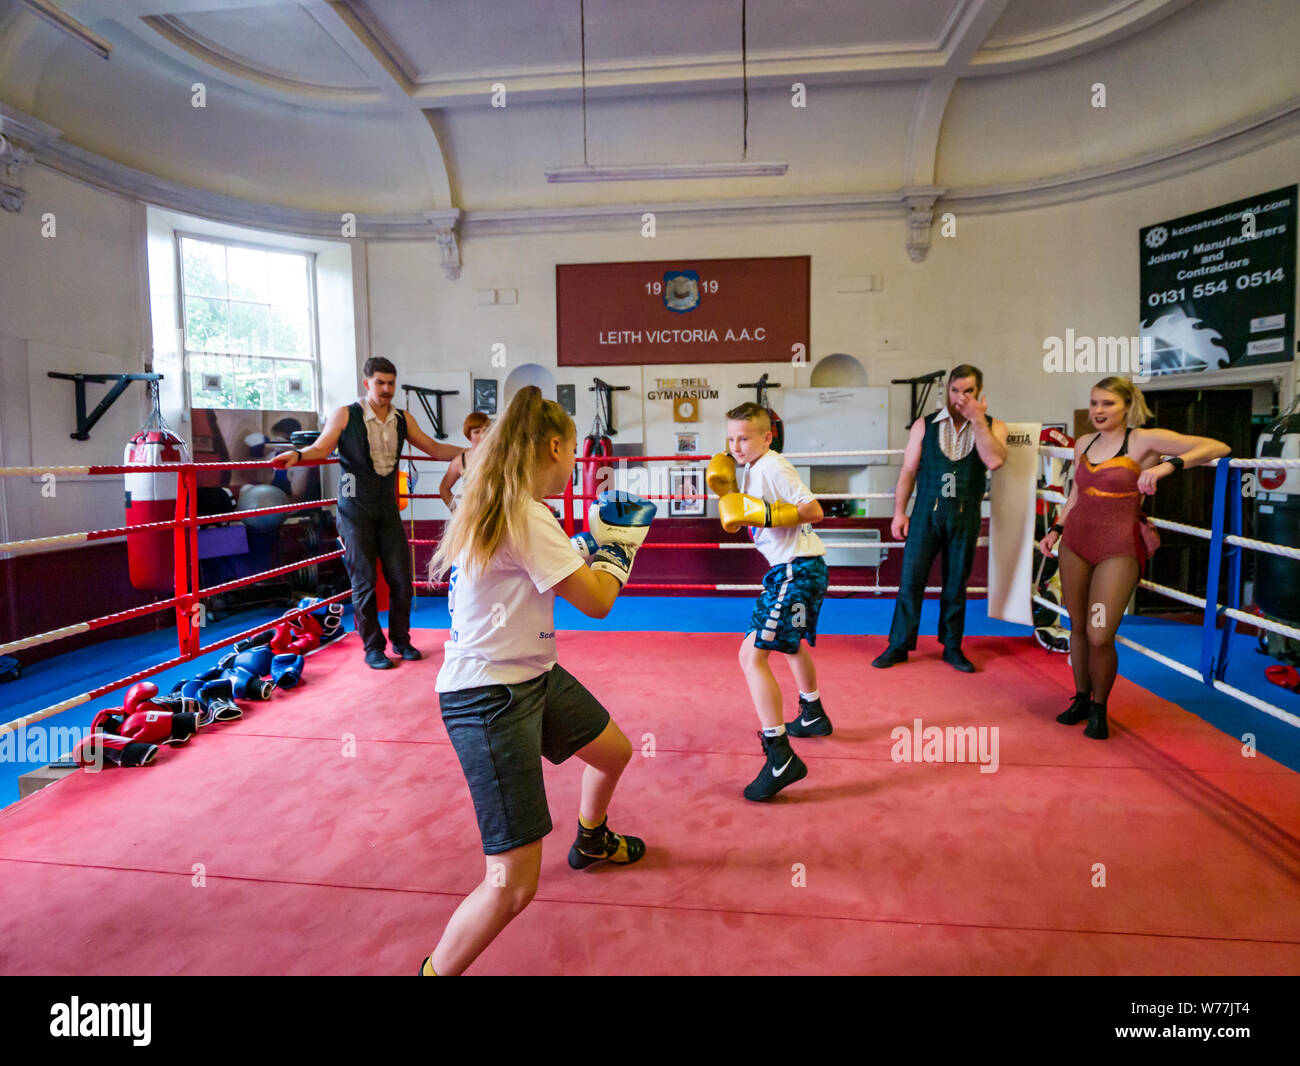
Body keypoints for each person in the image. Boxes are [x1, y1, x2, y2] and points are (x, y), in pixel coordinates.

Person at [421, 385, 652, 976]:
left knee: (613, 752)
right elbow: (598, 601)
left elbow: (532, 567)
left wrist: (589, 545)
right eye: (572, 452)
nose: (574, 465)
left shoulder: (497, 500)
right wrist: (619, 548)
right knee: (512, 886)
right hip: (490, 700)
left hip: (531, 675)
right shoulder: (526, 514)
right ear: (554, 445)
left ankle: (592, 839)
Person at [1038, 377, 1229, 739]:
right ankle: (1080, 697)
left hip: (1118, 548)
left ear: (1126, 405)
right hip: (1075, 542)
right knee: (1077, 627)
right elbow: (1076, 494)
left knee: (1099, 633)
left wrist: (1166, 467)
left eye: (1107, 403)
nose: (1098, 410)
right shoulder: (1084, 442)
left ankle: (1100, 707)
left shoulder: (1143, 439)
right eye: (1094, 403)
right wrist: (1056, 530)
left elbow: (1218, 446)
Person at [273, 357, 464, 670]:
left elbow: (432, 447)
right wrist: (296, 455)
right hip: (354, 509)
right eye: (380, 383)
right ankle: (373, 647)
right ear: (367, 383)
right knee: (364, 580)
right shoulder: (346, 415)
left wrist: (473, 452)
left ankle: (401, 640)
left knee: (402, 578)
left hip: (387, 509)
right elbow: (321, 448)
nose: (387, 389)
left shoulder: (402, 418)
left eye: (391, 383)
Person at [711, 402, 828, 802]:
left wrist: (766, 516)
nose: (736, 445)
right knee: (789, 643)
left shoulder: (773, 466)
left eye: (744, 437)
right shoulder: (750, 469)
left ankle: (779, 756)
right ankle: (811, 713)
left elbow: (815, 510)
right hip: (798, 570)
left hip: (796, 571)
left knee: (751, 656)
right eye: (731, 438)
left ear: (768, 436)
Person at [873, 365, 1008, 673]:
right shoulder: (925, 424)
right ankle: (898, 645)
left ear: (980, 392)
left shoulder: (993, 426)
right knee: (911, 580)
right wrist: (898, 513)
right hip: (925, 513)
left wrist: (977, 420)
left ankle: (952, 646)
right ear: (947, 390)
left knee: (956, 583)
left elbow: (995, 461)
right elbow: (908, 471)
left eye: (968, 391)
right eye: (955, 390)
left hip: (965, 514)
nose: (960, 397)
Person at [439, 411, 492, 512]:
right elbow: (444, 488)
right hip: (473, 515)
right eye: (477, 432)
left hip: (499, 514)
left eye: (486, 431)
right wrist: (456, 513)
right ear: (469, 435)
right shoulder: (460, 461)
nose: (483, 435)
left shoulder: (501, 456)